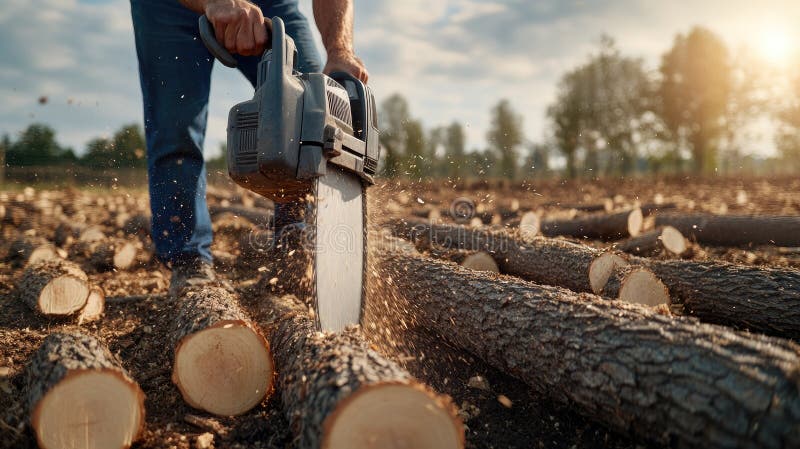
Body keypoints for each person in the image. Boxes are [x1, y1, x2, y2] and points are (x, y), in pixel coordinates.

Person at [130, 0, 368, 295]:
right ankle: (187, 260)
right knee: (175, 130)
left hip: (271, 4)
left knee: (309, 110)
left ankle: (295, 249)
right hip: (168, 8)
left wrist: (339, 49)